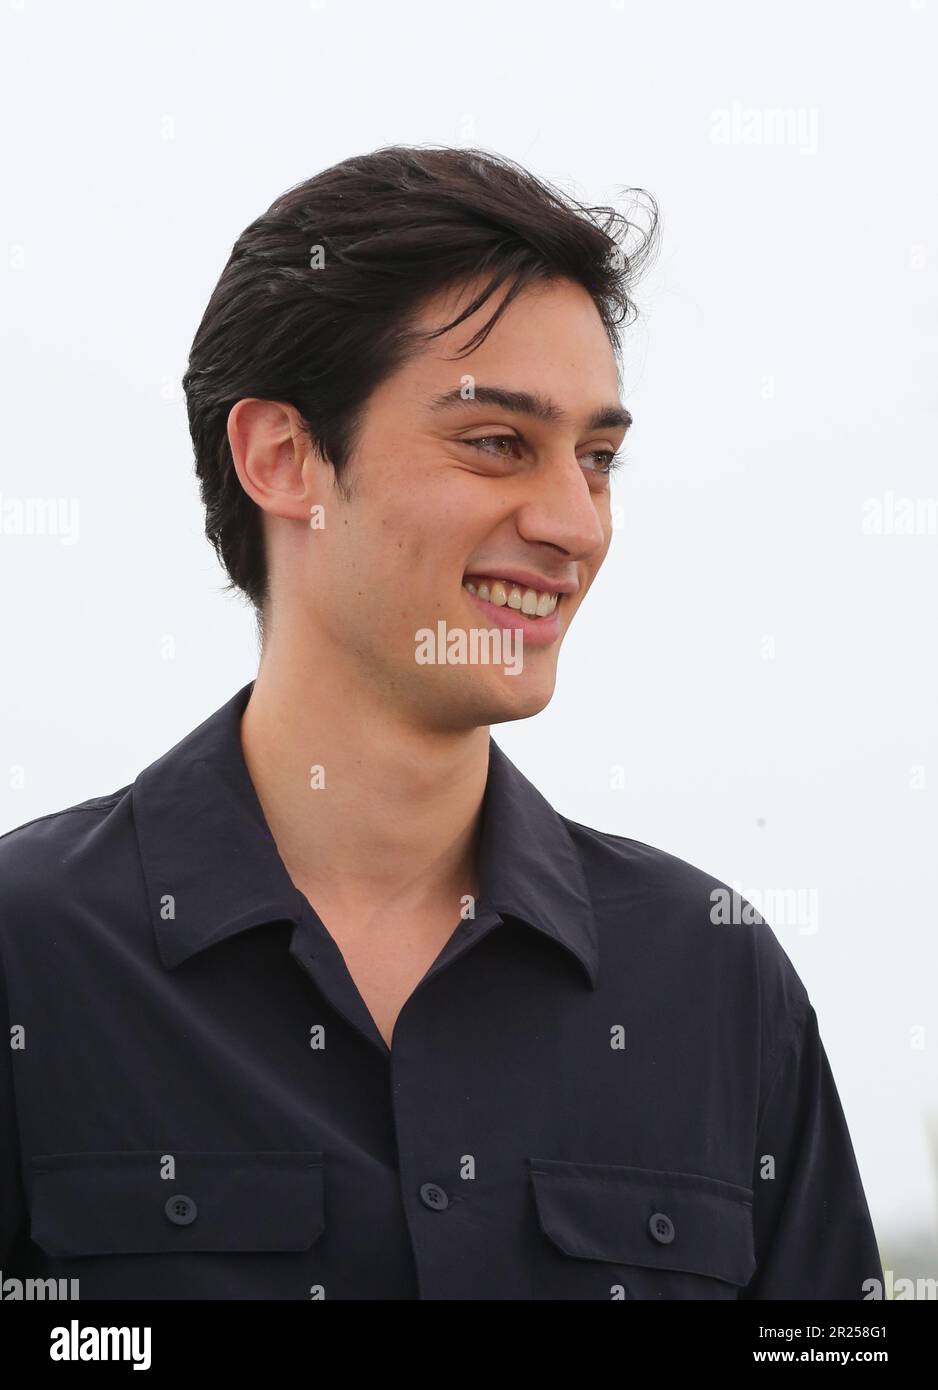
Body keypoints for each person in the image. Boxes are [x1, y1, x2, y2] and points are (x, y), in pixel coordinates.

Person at [0, 145, 882, 1300]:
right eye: (495, 443)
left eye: (599, 459)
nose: (574, 522)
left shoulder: (714, 979)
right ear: (281, 457)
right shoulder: (32, 959)